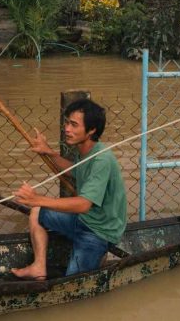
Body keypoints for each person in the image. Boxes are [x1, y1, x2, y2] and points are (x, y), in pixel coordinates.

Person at [11, 99, 127, 279]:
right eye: (66, 123)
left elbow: (83, 205)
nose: (67, 129)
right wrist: (49, 152)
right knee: (37, 212)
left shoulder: (101, 159)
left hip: (99, 232)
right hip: (83, 221)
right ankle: (39, 266)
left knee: (72, 285)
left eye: (74, 125)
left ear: (91, 130)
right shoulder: (85, 151)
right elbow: (74, 170)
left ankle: (99, 254)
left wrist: (37, 198)